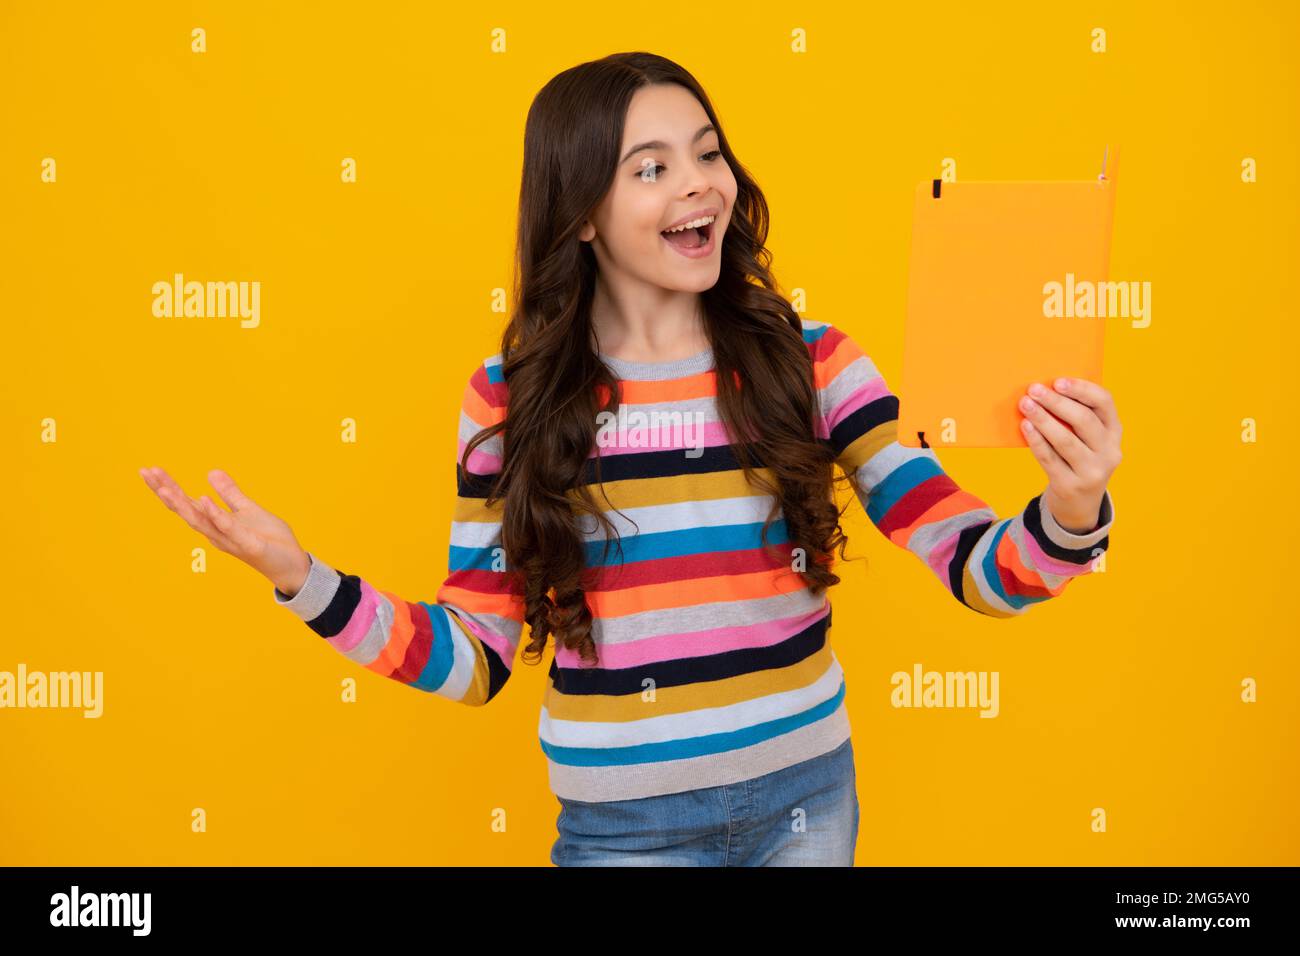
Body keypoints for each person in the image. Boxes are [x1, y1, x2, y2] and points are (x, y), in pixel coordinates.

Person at [140, 52, 1123, 867]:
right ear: (579, 212)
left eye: (706, 152)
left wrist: (1071, 507)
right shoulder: (509, 398)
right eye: (649, 167)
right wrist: (298, 578)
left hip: (807, 806)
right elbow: (474, 658)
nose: (699, 181)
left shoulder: (814, 358)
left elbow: (970, 562)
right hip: (624, 832)